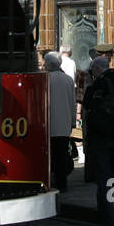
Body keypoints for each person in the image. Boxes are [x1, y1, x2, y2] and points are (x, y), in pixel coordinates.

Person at [82, 55, 114, 226]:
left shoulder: (98, 85)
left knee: (106, 179)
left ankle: (109, 220)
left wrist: (89, 84)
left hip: (102, 137)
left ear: (96, 70)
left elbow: (88, 106)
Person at [45, 52, 77, 192]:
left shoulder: (46, 79)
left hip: (49, 124)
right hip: (64, 124)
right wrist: (72, 122)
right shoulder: (68, 80)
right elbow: (72, 102)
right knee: (62, 155)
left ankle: (52, 181)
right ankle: (62, 183)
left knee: (51, 156)